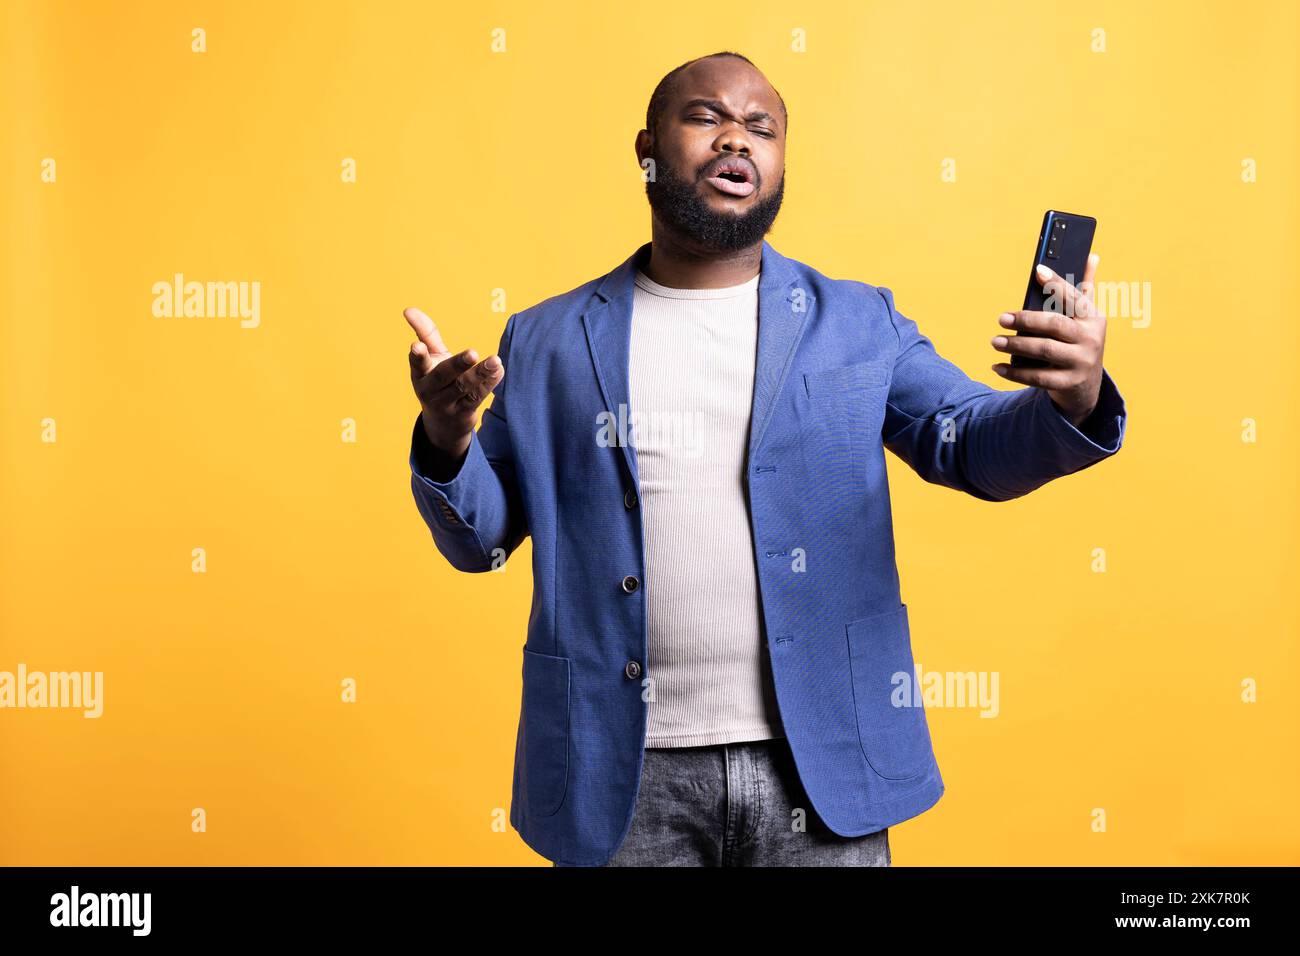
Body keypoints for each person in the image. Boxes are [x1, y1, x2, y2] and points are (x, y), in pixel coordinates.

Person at [403, 51, 1127, 866]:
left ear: (780, 161)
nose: (734, 142)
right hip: (618, 777)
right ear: (647, 147)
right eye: (706, 118)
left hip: (821, 773)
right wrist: (447, 436)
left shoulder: (858, 321)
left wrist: (1072, 398)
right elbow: (480, 541)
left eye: (760, 128)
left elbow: (970, 445)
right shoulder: (545, 339)